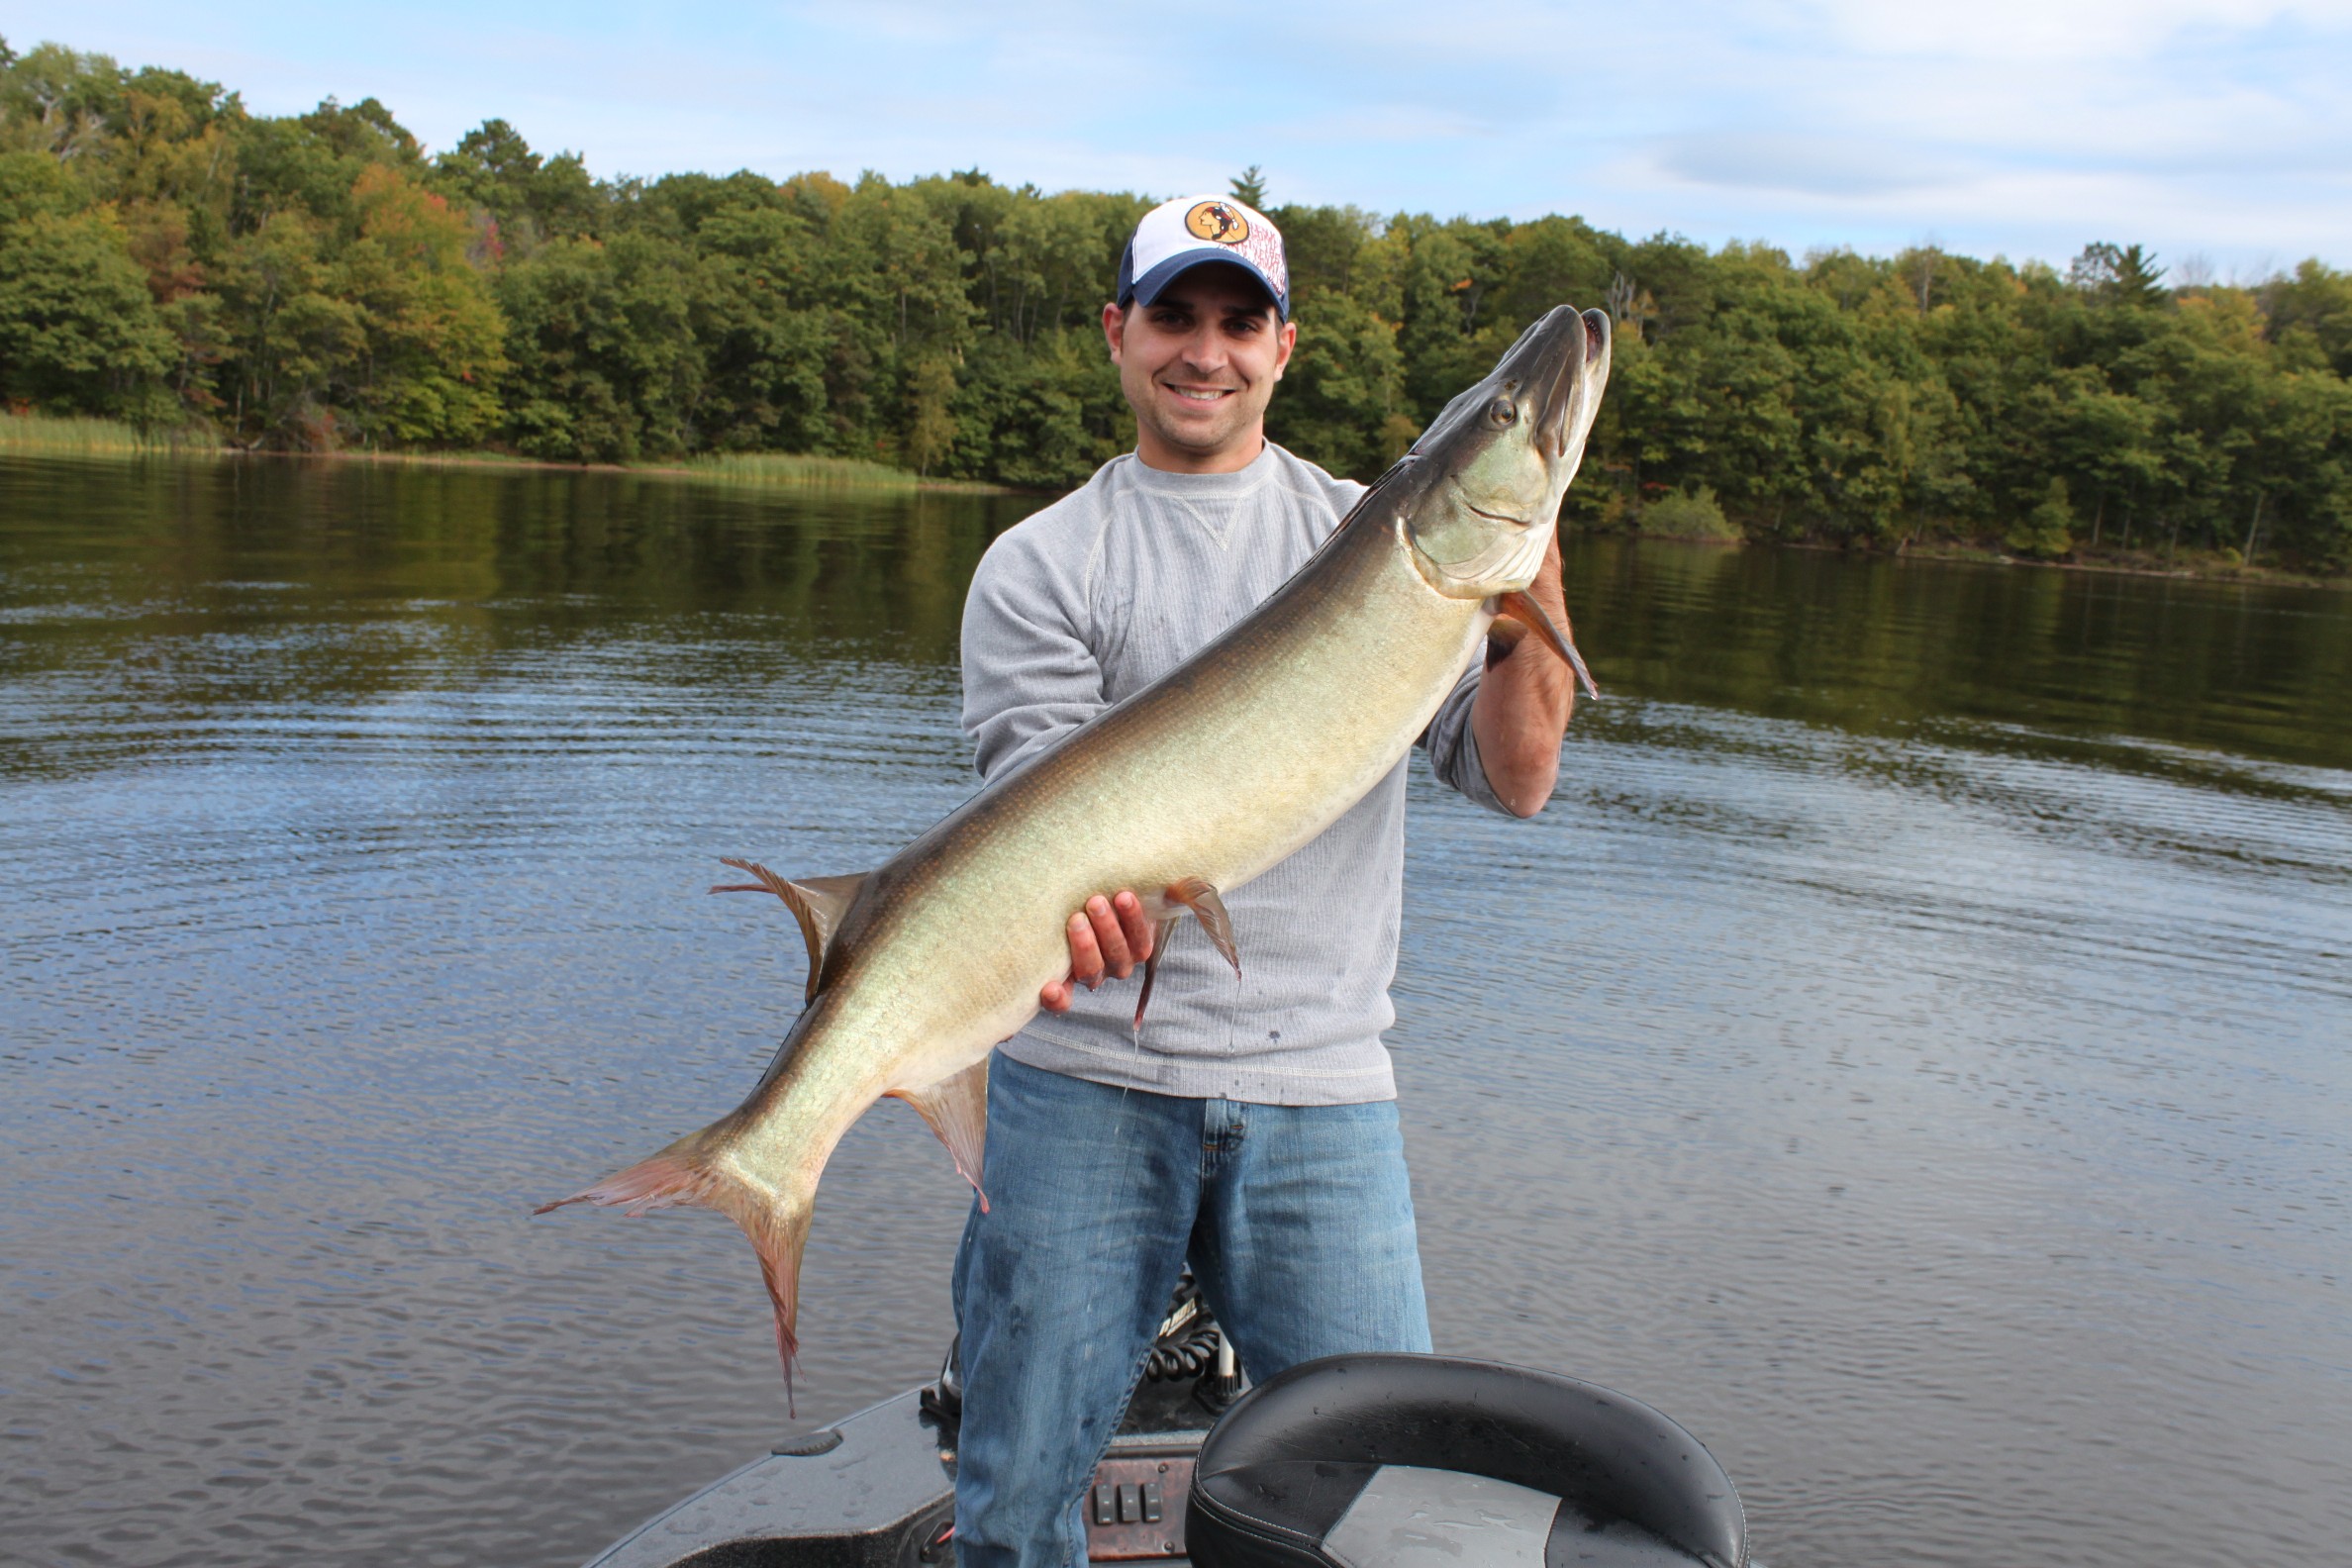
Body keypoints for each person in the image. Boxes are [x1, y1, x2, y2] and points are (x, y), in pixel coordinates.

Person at [948, 194, 1576, 1568]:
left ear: (1283, 350)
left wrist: (1537, 585)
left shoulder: (1389, 540)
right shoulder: (1040, 566)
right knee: (1012, 1505)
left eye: (1240, 321)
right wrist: (1090, 912)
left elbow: (1516, 777)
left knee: (1397, 1502)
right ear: (1118, 335)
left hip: (1324, 1090)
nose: (1206, 350)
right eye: (1174, 315)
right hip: (1082, 1085)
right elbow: (1050, 843)